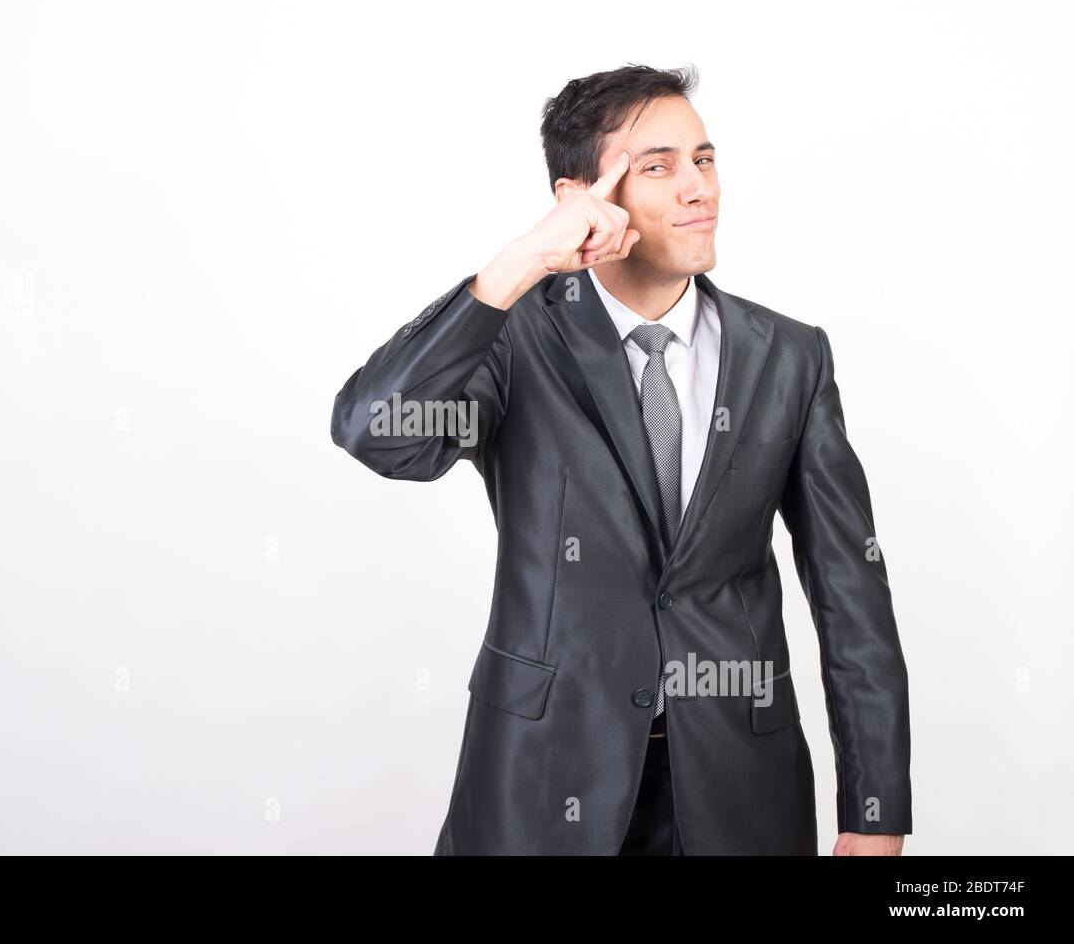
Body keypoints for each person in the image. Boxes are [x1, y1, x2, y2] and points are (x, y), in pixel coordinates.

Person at [330, 63, 911, 856]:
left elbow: (852, 593)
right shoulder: (516, 342)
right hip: (542, 782)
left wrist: (874, 812)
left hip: (740, 788)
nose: (699, 187)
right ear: (584, 197)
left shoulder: (790, 356)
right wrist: (521, 263)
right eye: (659, 166)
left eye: (703, 159)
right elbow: (375, 430)